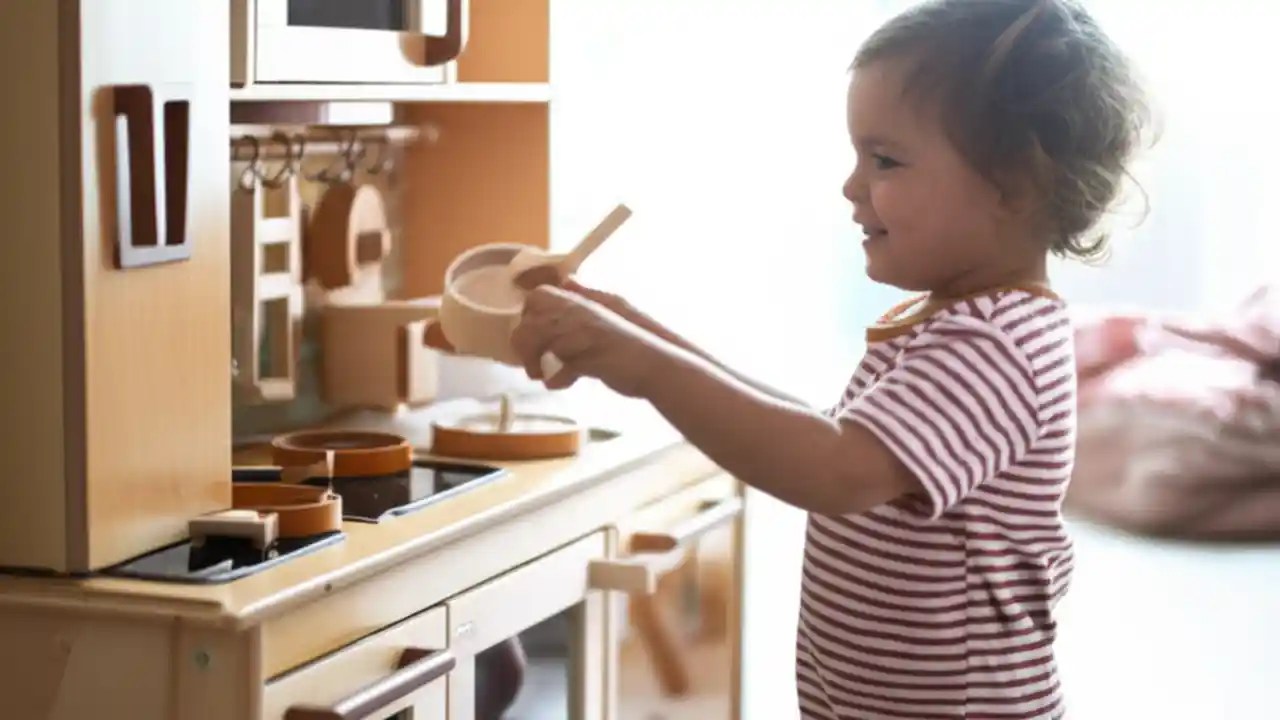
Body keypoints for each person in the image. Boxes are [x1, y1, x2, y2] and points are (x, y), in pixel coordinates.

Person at [496, 0, 1150, 716]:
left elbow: (832, 468)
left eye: (885, 160)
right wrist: (636, 334)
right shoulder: (959, 323)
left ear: (1015, 185)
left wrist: (643, 364)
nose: (851, 185)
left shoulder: (994, 346)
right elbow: (825, 433)